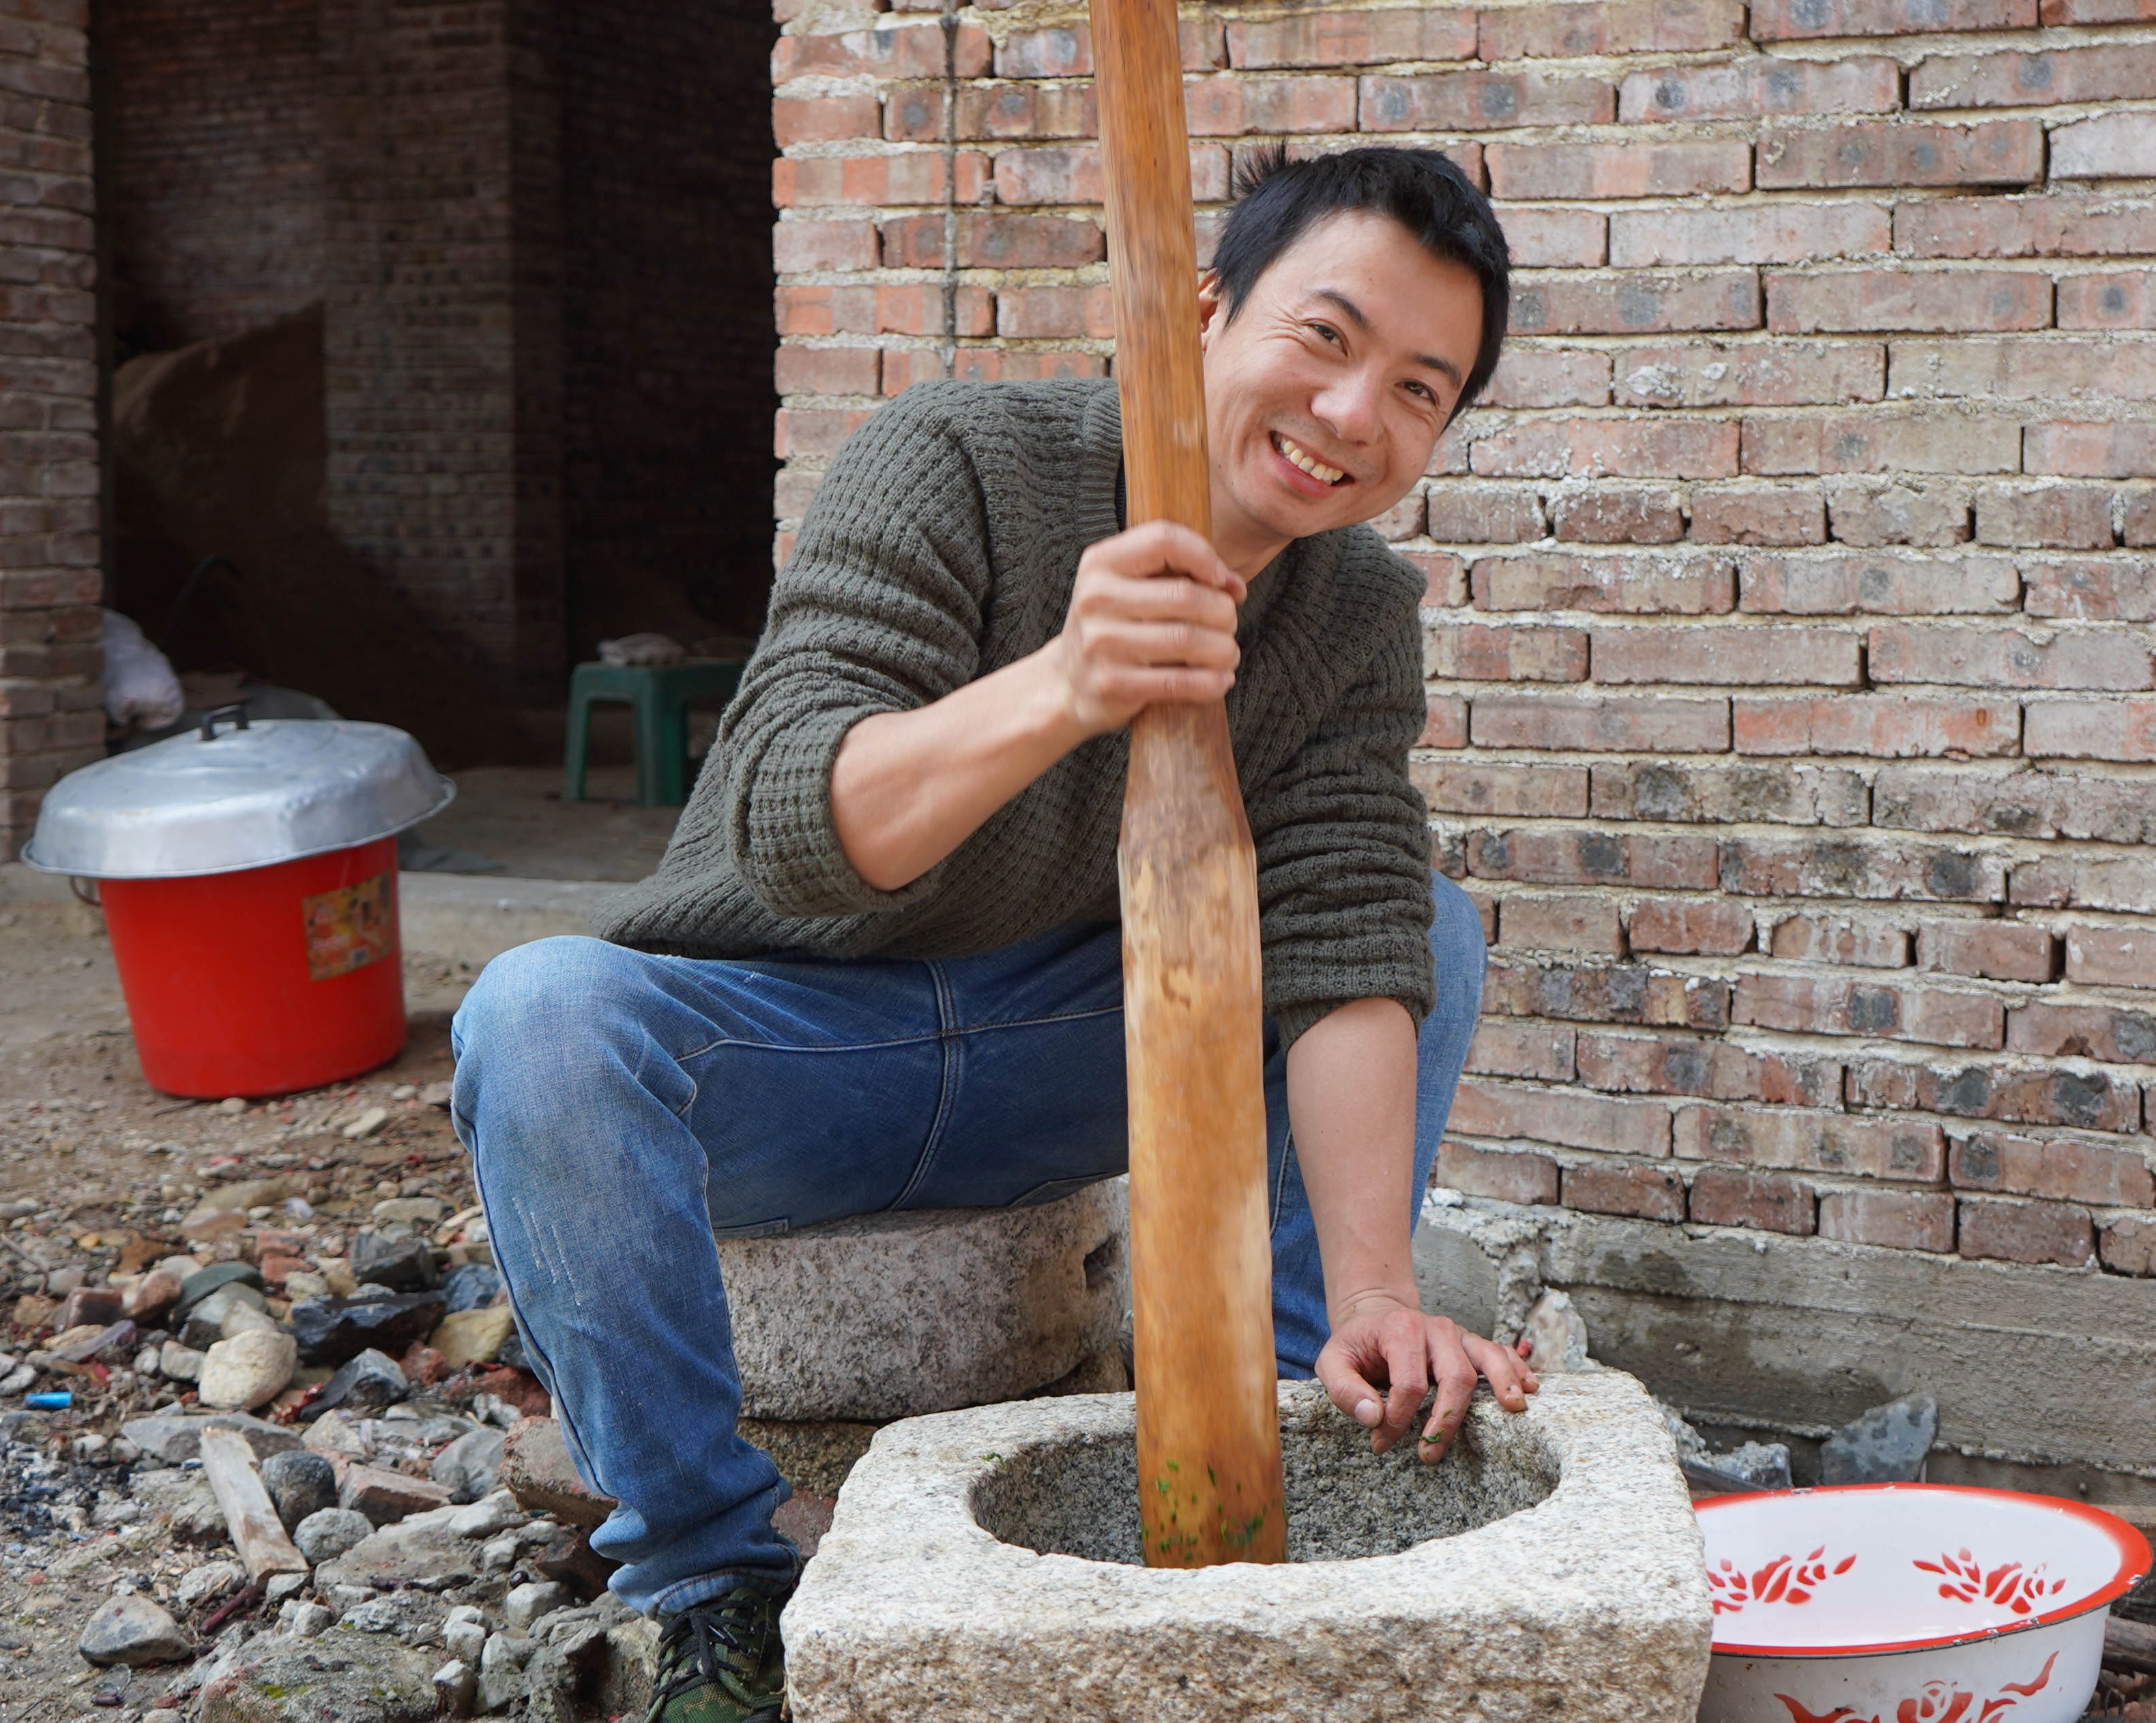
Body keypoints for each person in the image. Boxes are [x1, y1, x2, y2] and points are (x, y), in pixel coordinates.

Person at [454, 144, 1529, 1723]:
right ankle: (713, 1588)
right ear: (1204, 310)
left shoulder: (1352, 610)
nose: (1354, 414)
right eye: (1325, 335)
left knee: (1417, 923)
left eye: (1420, 389)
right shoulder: (962, 454)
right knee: (539, 1011)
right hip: (790, 1052)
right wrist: (1064, 686)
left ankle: (1308, 1421)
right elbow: (785, 821)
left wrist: (1380, 1283)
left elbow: (1346, 936)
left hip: (1059, 1058)